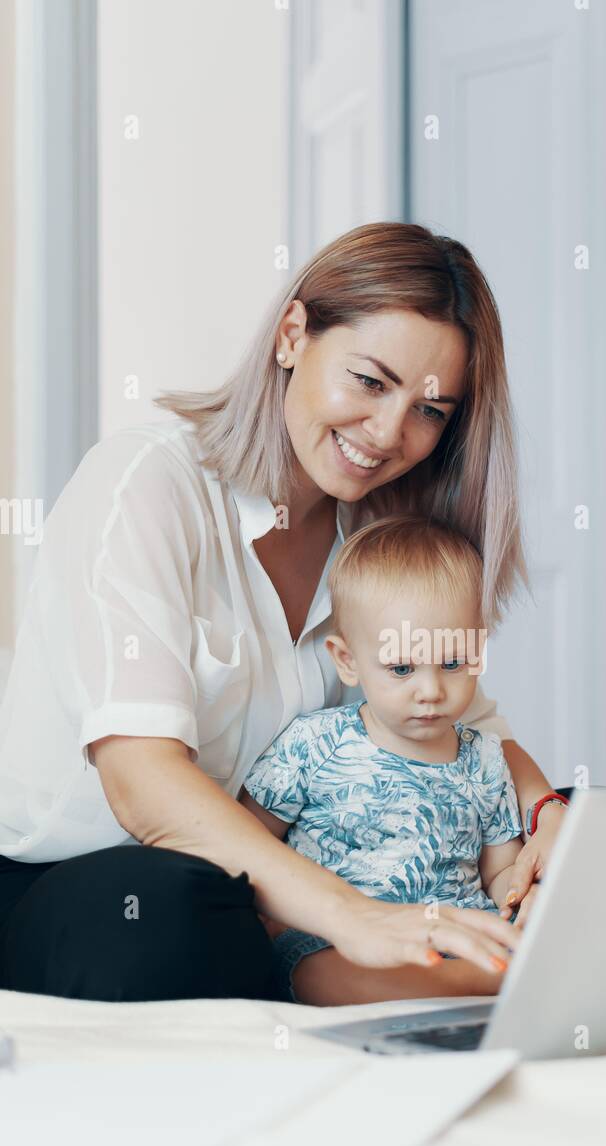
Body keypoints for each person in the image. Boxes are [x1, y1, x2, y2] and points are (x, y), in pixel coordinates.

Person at [0, 221, 569, 1005]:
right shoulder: (145, 485)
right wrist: (355, 916)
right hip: (79, 881)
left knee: (554, 894)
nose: (390, 434)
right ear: (293, 335)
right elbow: (143, 785)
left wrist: (549, 818)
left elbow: (473, 736)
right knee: (177, 911)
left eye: (431, 411)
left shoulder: (377, 536)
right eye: (370, 382)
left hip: (272, 898)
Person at [240, 515, 527, 1001]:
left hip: (459, 930)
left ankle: (470, 984)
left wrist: (517, 906)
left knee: (523, 952)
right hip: (340, 940)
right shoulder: (313, 744)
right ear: (347, 659)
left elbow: (500, 869)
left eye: (452, 663)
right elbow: (250, 838)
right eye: (401, 667)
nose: (431, 690)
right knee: (325, 975)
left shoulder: (485, 759)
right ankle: (460, 991)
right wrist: (268, 916)